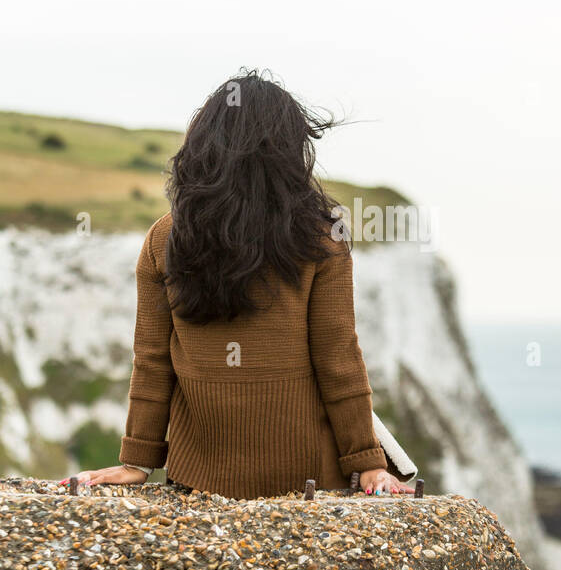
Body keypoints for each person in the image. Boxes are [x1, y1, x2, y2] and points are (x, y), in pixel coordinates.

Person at [75, 70, 409, 499]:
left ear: (203, 147)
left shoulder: (165, 238)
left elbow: (153, 361)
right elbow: (338, 357)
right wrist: (367, 464)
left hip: (200, 479)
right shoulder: (323, 238)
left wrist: (137, 461)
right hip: (307, 478)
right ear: (288, 154)